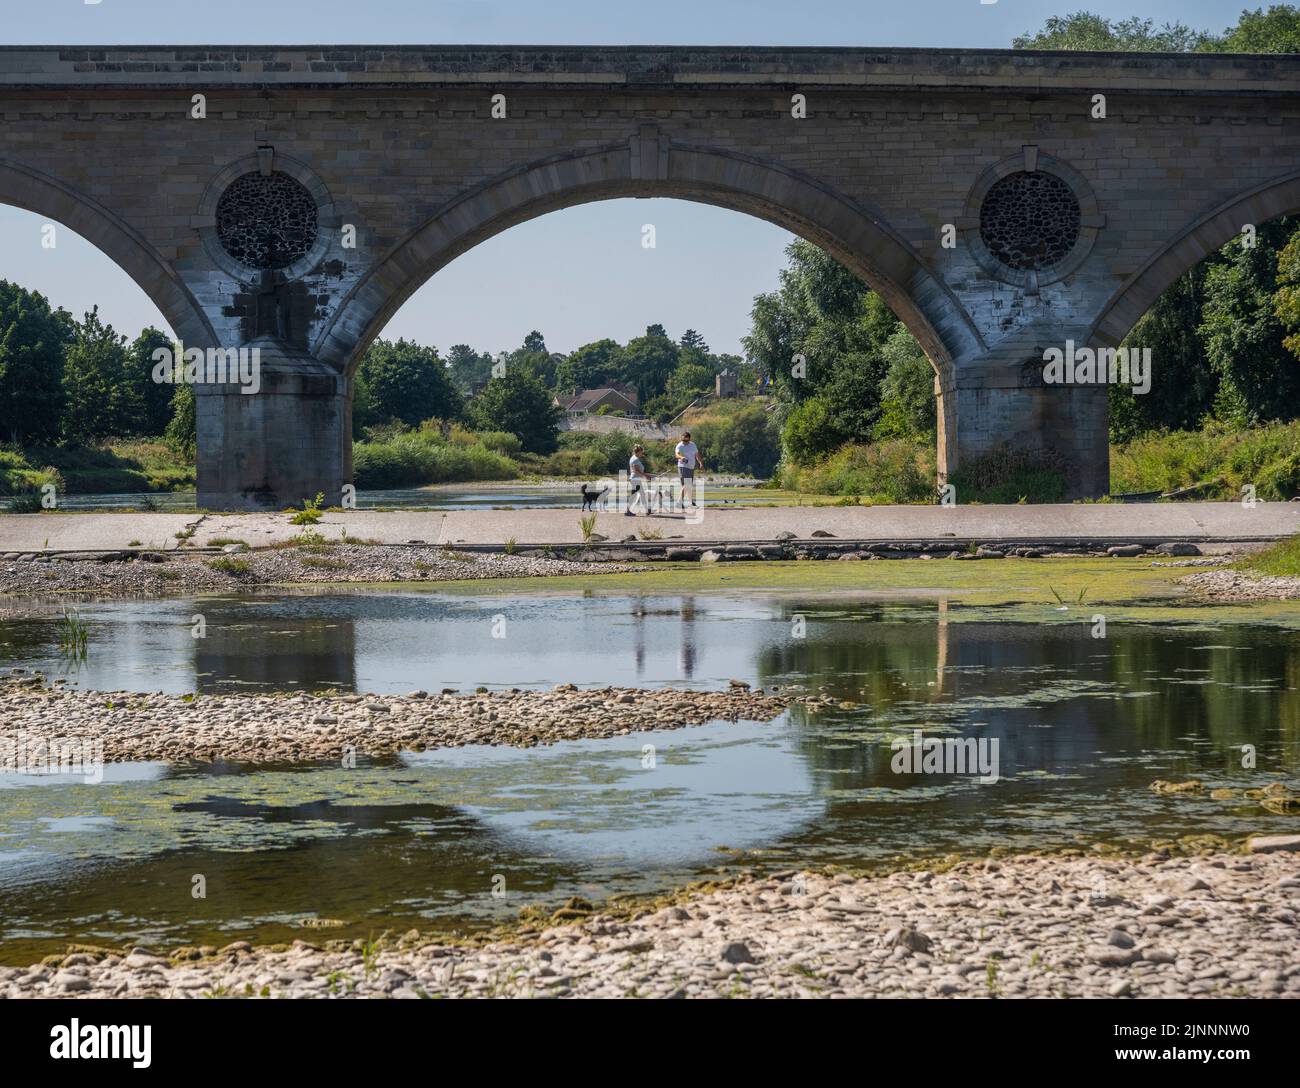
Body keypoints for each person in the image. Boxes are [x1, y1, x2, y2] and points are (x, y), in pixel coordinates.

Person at [674, 430, 704, 509]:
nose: (684, 441)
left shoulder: (693, 445)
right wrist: (681, 457)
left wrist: (700, 463)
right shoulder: (679, 445)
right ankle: (679, 502)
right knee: (687, 485)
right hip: (683, 466)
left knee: (688, 486)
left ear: (689, 439)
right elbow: (677, 455)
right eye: (683, 440)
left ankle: (690, 502)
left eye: (686, 440)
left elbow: (697, 455)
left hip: (691, 467)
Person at [626, 444, 652, 516]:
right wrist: (646, 476)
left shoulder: (633, 458)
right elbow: (636, 471)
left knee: (642, 494)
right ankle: (628, 511)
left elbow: (638, 471)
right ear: (638, 452)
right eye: (641, 452)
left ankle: (647, 510)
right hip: (635, 479)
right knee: (634, 496)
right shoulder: (635, 459)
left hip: (635, 479)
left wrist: (645, 475)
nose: (642, 453)